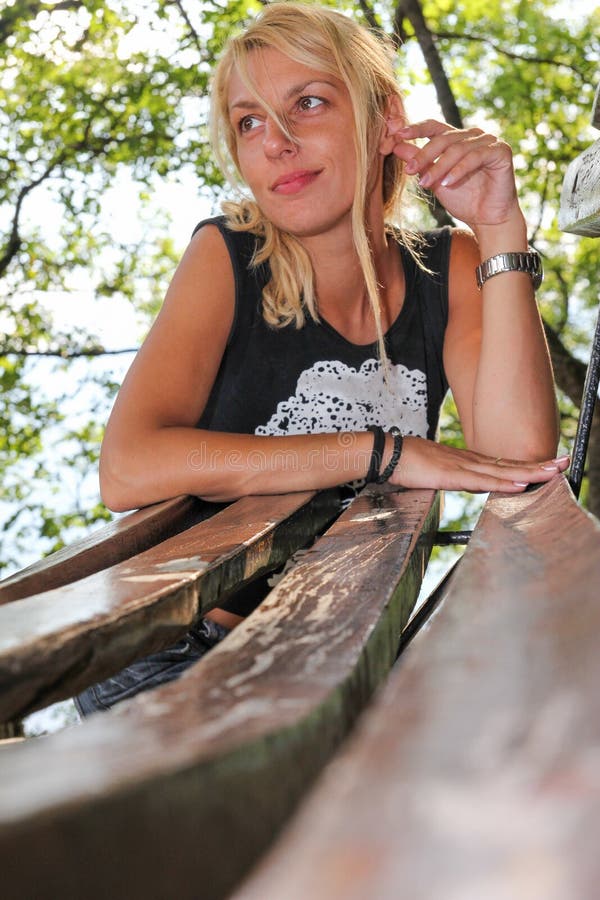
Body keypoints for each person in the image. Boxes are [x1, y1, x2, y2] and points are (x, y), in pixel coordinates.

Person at [75, 2, 568, 717]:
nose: (274, 142)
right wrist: (382, 453)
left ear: (384, 117)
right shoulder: (227, 257)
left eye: (307, 103)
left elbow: (518, 457)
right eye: (249, 122)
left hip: (345, 671)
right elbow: (127, 468)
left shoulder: (450, 267)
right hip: (183, 658)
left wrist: (498, 226)